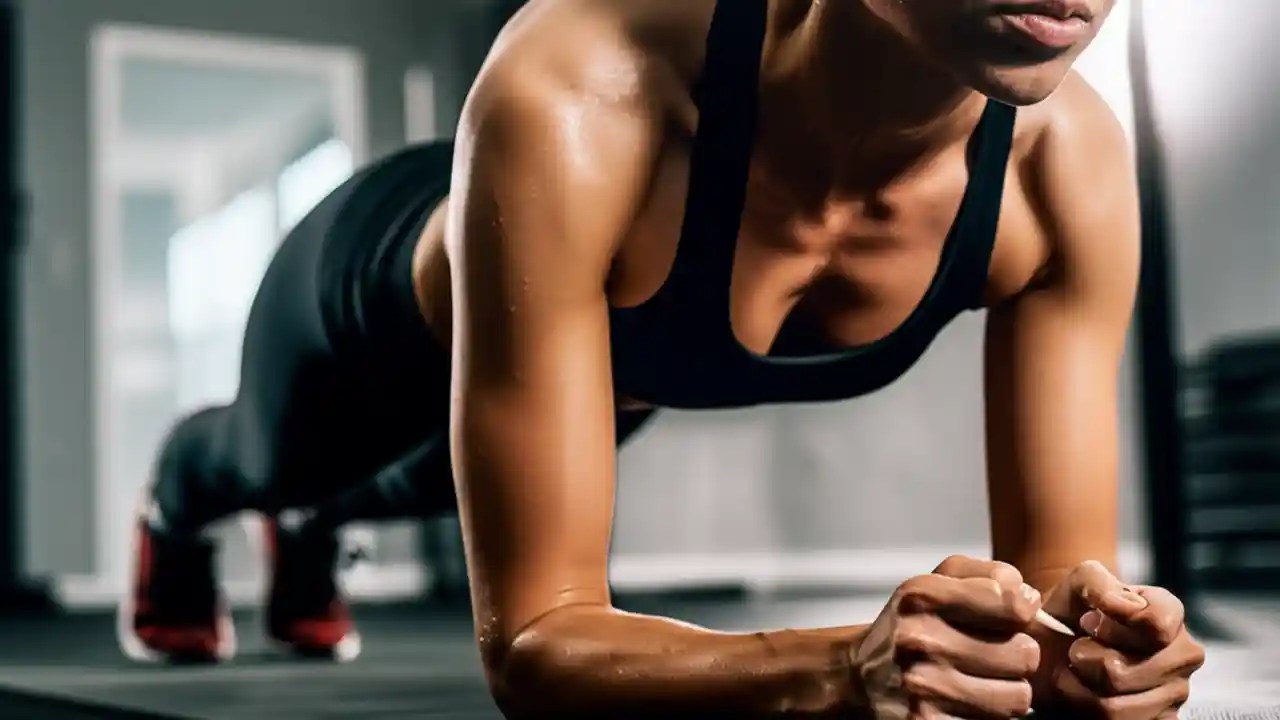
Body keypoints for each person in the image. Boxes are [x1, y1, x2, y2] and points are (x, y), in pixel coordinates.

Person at [118, 0, 1207, 716]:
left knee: (395, 497)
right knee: (264, 462)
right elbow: (534, 646)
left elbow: (1066, 600)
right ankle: (175, 512)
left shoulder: (1067, 169)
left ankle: (314, 536)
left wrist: (1098, 659)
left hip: (622, 361)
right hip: (366, 302)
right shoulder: (577, 81)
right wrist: (838, 670)